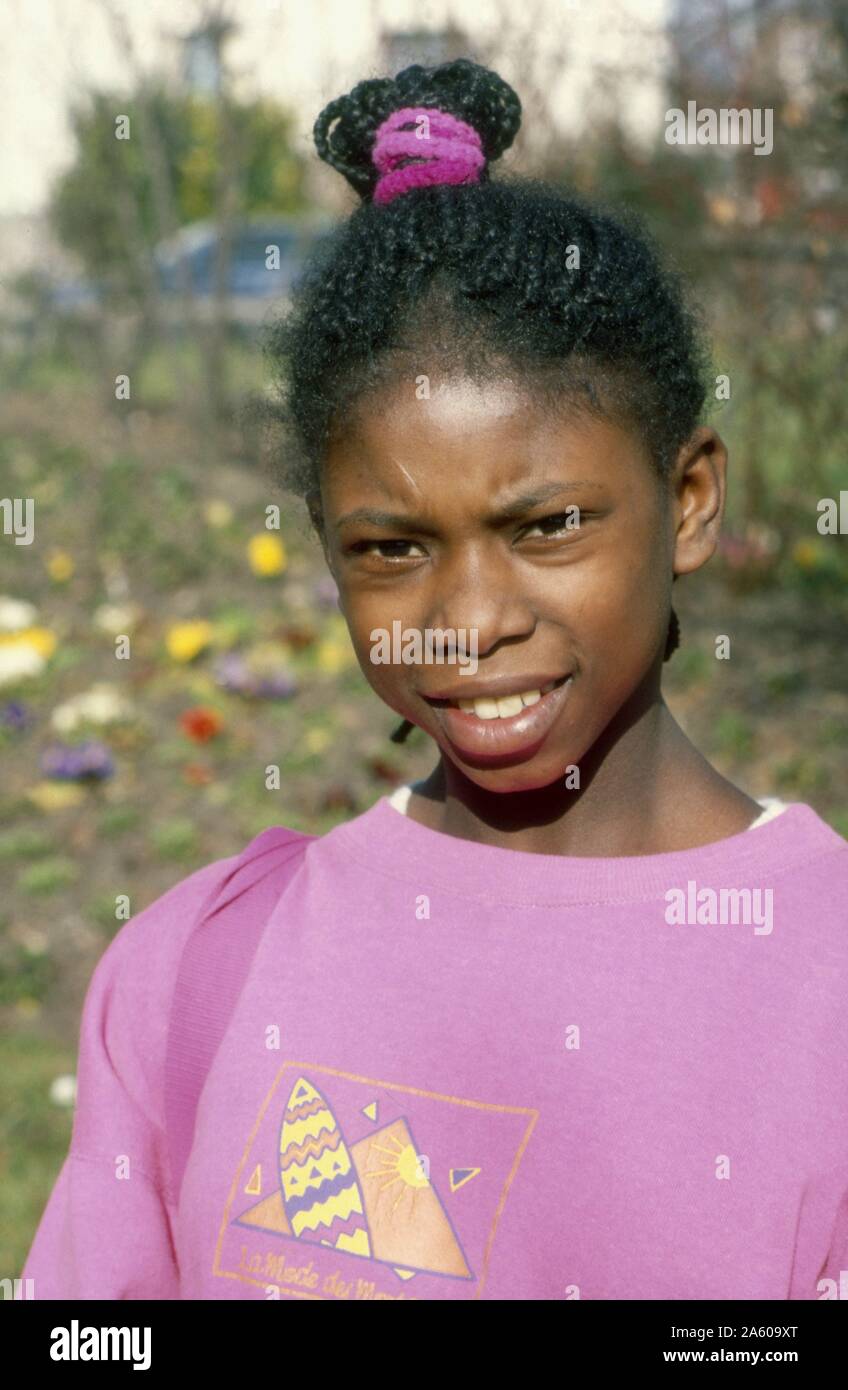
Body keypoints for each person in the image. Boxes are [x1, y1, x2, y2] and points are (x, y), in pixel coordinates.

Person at [21, 58, 848, 1301]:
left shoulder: (821, 980)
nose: (464, 622)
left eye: (546, 524)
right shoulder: (196, 975)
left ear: (687, 502)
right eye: (391, 548)